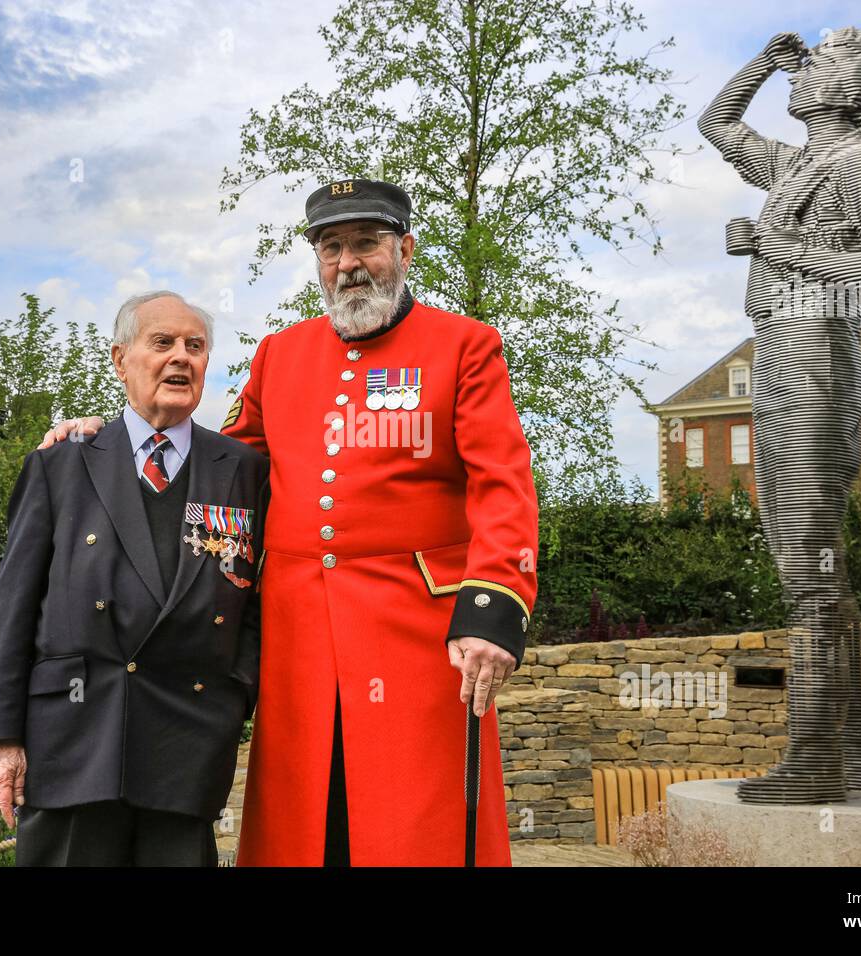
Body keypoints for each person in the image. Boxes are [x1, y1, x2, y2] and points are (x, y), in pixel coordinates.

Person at [42, 178, 539, 865]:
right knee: (305, 827)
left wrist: (490, 606)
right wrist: (118, 440)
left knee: (410, 828)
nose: (348, 262)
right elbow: (220, 467)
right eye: (331, 247)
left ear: (406, 249)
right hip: (297, 635)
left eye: (366, 242)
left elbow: (502, 482)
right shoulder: (282, 354)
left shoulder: (464, 346)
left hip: (418, 638)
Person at [698, 29, 861, 803]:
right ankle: (853, 754)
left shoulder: (857, 161)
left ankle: (814, 757)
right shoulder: (798, 163)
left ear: (847, 85)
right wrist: (760, 61)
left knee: (807, 572)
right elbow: (718, 126)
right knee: (825, 571)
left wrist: (780, 247)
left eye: (815, 63)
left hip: (813, 355)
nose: (802, 73)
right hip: (786, 351)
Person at [0, 290, 268, 864]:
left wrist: (235, 696)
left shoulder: (245, 470)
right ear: (120, 359)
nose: (180, 357)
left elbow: (261, 604)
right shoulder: (60, 463)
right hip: (73, 739)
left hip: (188, 741)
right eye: (161, 343)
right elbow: (13, 607)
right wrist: (3, 738)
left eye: (196, 346)